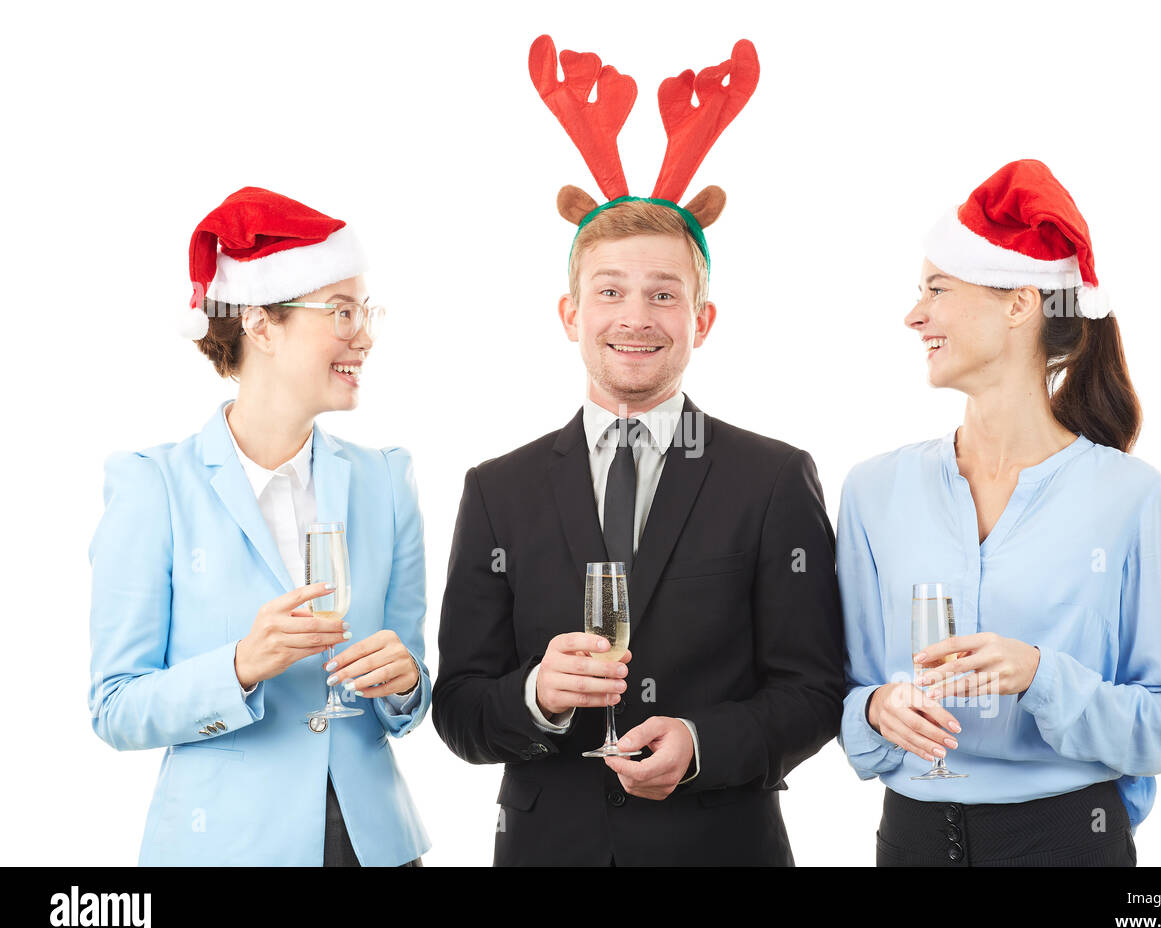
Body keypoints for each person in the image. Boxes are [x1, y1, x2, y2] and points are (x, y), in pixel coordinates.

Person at [431, 36, 844, 866]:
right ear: (568, 313)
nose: (636, 318)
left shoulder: (772, 478)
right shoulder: (496, 489)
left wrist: (703, 741)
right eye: (610, 291)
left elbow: (816, 689)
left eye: (665, 294)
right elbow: (460, 708)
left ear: (703, 320)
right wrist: (537, 697)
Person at [838, 159, 1161, 866]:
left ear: (1020, 303)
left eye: (937, 290)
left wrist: (1040, 673)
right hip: (910, 839)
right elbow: (844, 689)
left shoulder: (1132, 497)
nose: (914, 315)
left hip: (1068, 842)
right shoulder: (873, 491)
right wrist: (876, 708)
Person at [89, 187, 431, 866]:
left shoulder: (386, 481)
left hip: (373, 845)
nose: (364, 333)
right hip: (222, 847)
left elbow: (411, 685)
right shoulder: (153, 485)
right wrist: (241, 666)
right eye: (341, 311)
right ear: (262, 325)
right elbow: (115, 707)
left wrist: (407, 683)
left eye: (367, 311)